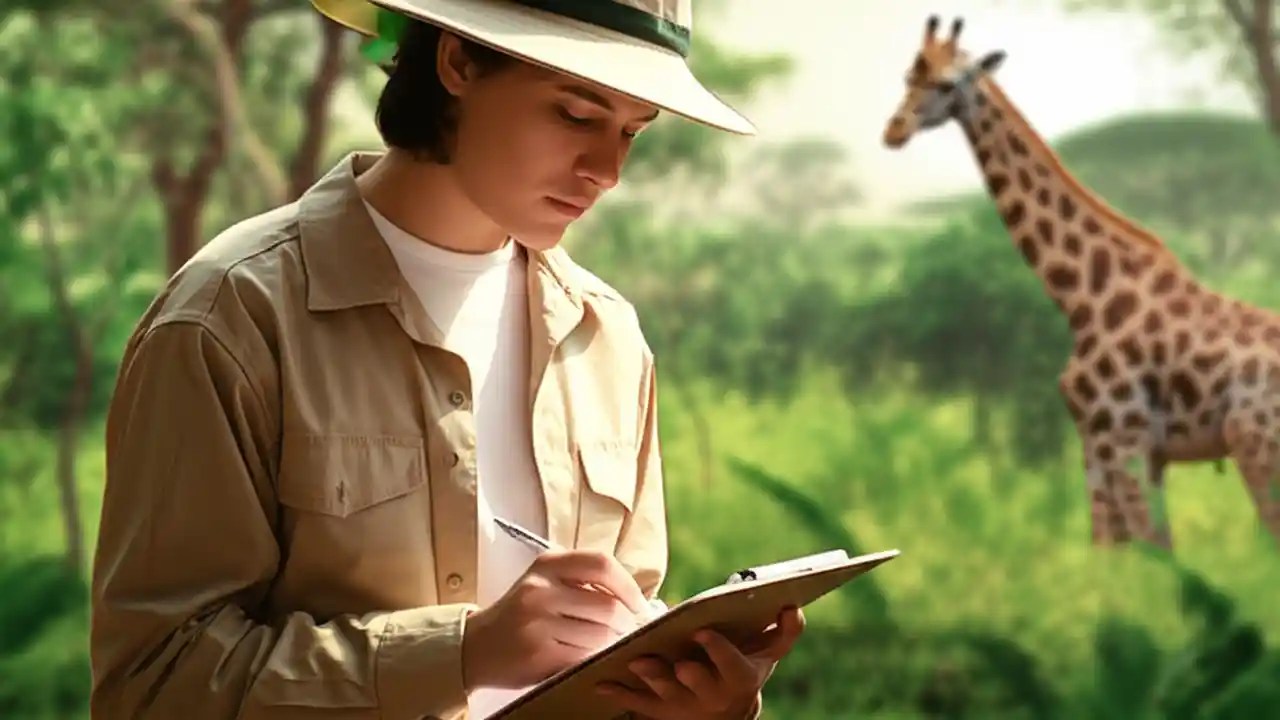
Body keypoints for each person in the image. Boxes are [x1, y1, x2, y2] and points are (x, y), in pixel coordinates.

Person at [88, 0, 805, 718]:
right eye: (576, 115)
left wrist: (701, 702)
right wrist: (463, 653)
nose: (606, 170)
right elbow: (153, 684)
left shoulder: (605, 336)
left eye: (631, 131)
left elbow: (623, 644)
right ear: (458, 61)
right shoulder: (231, 320)